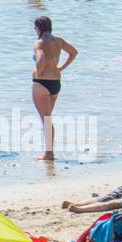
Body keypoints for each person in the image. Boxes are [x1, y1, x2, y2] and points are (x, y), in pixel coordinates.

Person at [31, 16, 77, 161]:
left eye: (35, 28)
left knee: (46, 119)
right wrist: (62, 67)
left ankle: (48, 153)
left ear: (39, 28)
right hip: (56, 83)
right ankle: (49, 151)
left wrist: (39, 71)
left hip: (41, 83)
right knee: (48, 118)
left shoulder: (39, 43)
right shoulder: (59, 41)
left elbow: (40, 58)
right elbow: (74, 52)